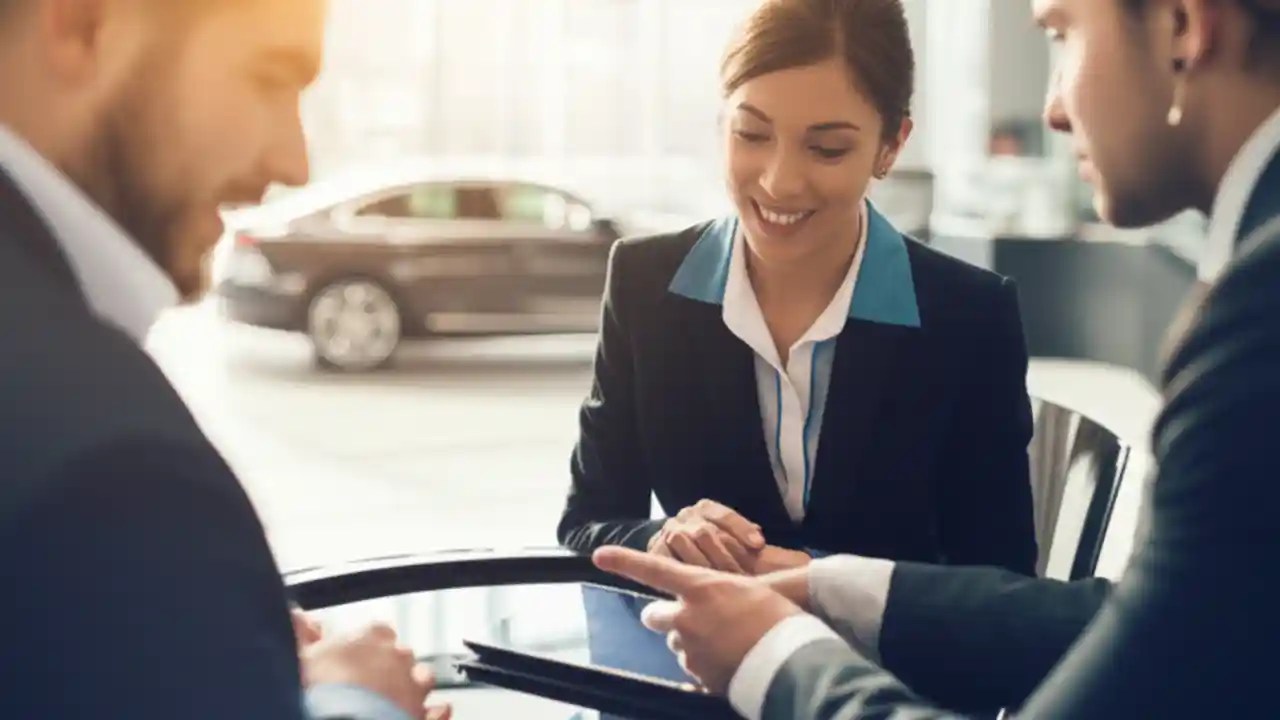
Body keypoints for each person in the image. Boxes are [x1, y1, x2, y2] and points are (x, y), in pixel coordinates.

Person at [594, 0, 1280, 717]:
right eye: (751, 133)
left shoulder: (1255, 314)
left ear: (1183, 24)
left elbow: (1149, 638)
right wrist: (825, 585)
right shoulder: (1252, 291)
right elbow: (1177, 625)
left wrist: (776, 653)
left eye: (1062, 34)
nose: (1051, 109)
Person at [0, 1, 449, 718]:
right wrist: (359, 699)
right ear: (84, 24)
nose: (294, 162)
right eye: (269, 78)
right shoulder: (112, 469)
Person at [559, 0, 1037, 584]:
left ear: (890, 146)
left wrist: (818, 582)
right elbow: (589, 519)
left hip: (884, 649)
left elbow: (999, 580)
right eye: (752, 134)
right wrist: (662, 538)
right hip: (692, 642)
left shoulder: (969, 316)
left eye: (827, 148)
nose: (779, 181)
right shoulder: (645, 284)